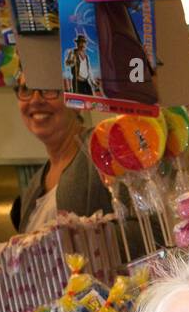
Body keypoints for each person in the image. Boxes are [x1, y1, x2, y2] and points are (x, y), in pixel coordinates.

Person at [13, 79, 120, 237]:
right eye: (26, 89)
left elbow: (151, 228)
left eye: (48, 88)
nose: (35, 100)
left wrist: (80, 243)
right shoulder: (31, 189)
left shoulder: (106, 145)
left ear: (76, 101)